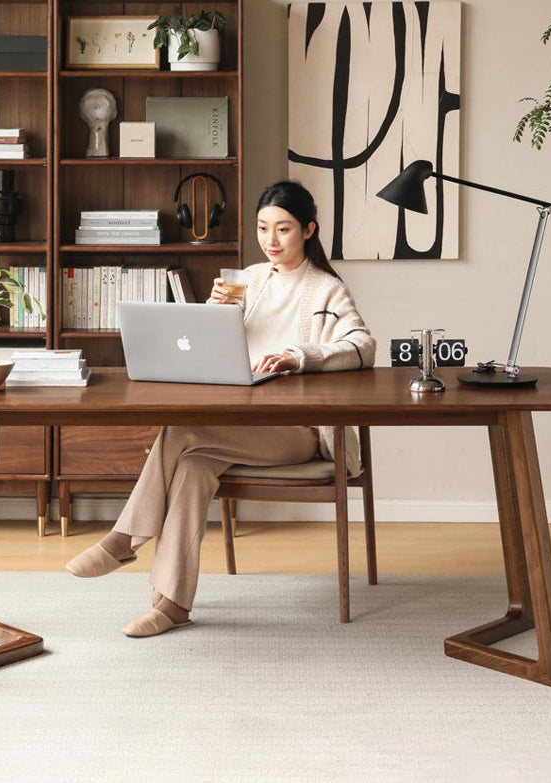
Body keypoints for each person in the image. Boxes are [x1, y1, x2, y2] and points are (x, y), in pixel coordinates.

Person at [66, 180, 375, 637]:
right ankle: (171, 605)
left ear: (308, 230)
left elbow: (363, 346)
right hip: (237, 423)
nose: (271, 241)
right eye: (263, 228)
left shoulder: (327, 289)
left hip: (298, 432)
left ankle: (124, 538)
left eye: (284, 229)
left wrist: (298, 356)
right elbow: (216, 352)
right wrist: (211, 317)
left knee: (180, 432)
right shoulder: (246, 279)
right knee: (191, 467)